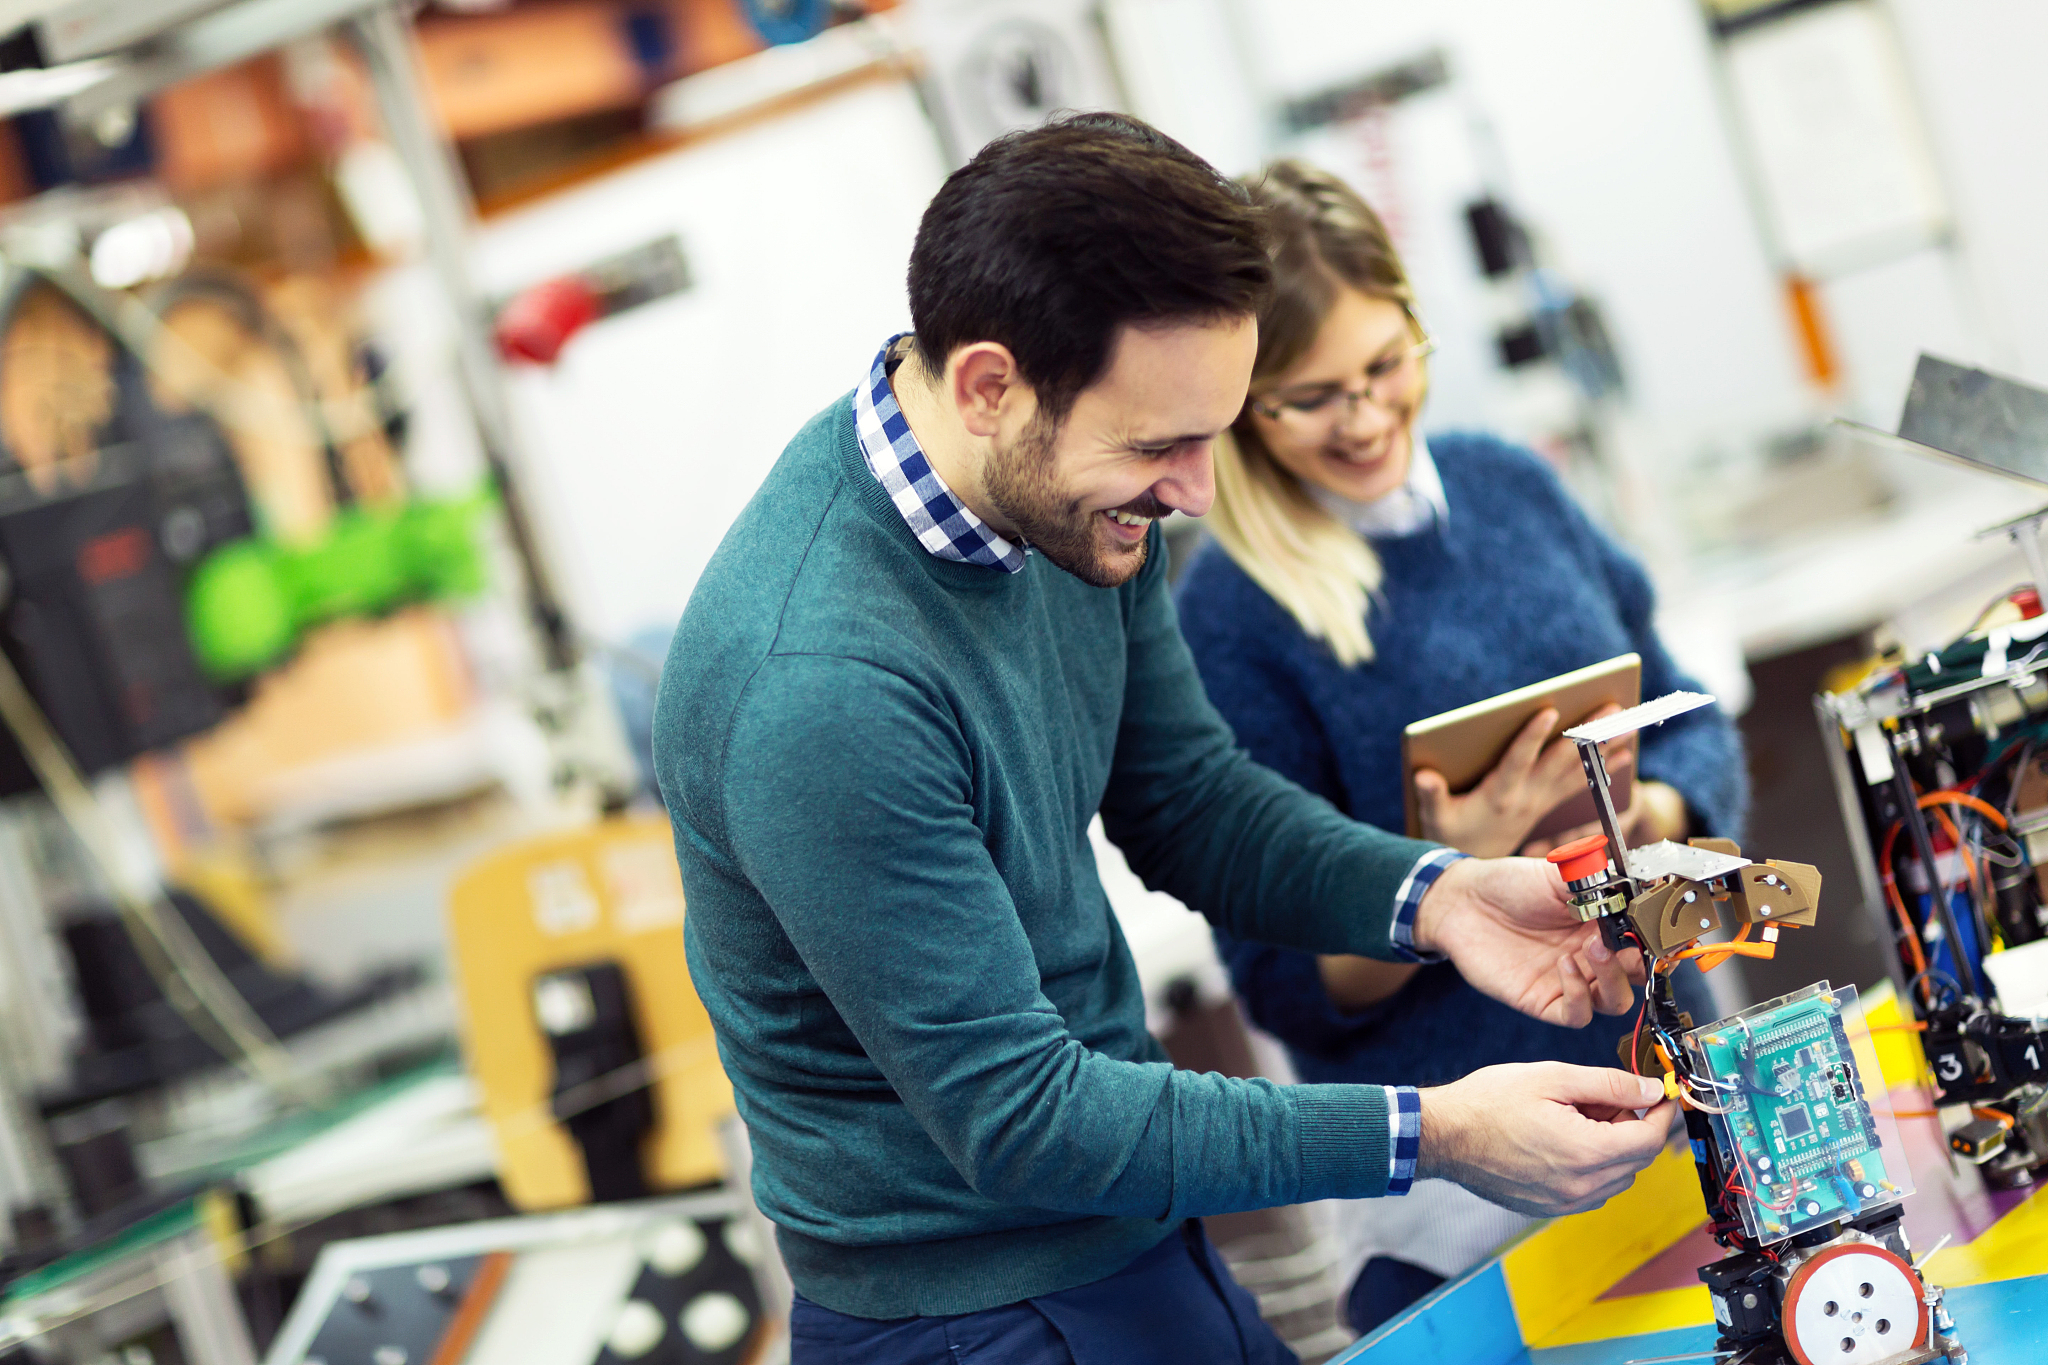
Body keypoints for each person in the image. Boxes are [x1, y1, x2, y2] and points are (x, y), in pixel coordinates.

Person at [653, 115, 1674, 1365]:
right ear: (989, 387)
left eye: (1210, 433)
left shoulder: (1068, 503)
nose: (1195, 491)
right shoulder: (817, 687)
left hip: (1135, 1229)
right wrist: (1437, 1131)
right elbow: (1022, 1116)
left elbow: (1188, 799)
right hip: (970, 1314)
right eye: (1158, 446)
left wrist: (1444, 897)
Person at [1173, 160, 1748, 1335]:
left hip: (1676, 1102)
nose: (1367, 414)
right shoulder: (1230, 616)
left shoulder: (1505, 486)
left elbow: (1688, 713)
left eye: (1386, 364)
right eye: (1308, 396)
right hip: (1462, 1212)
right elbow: (1288, 986)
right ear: (1241, 406)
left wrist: (1655, 825)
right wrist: (1445, 872)